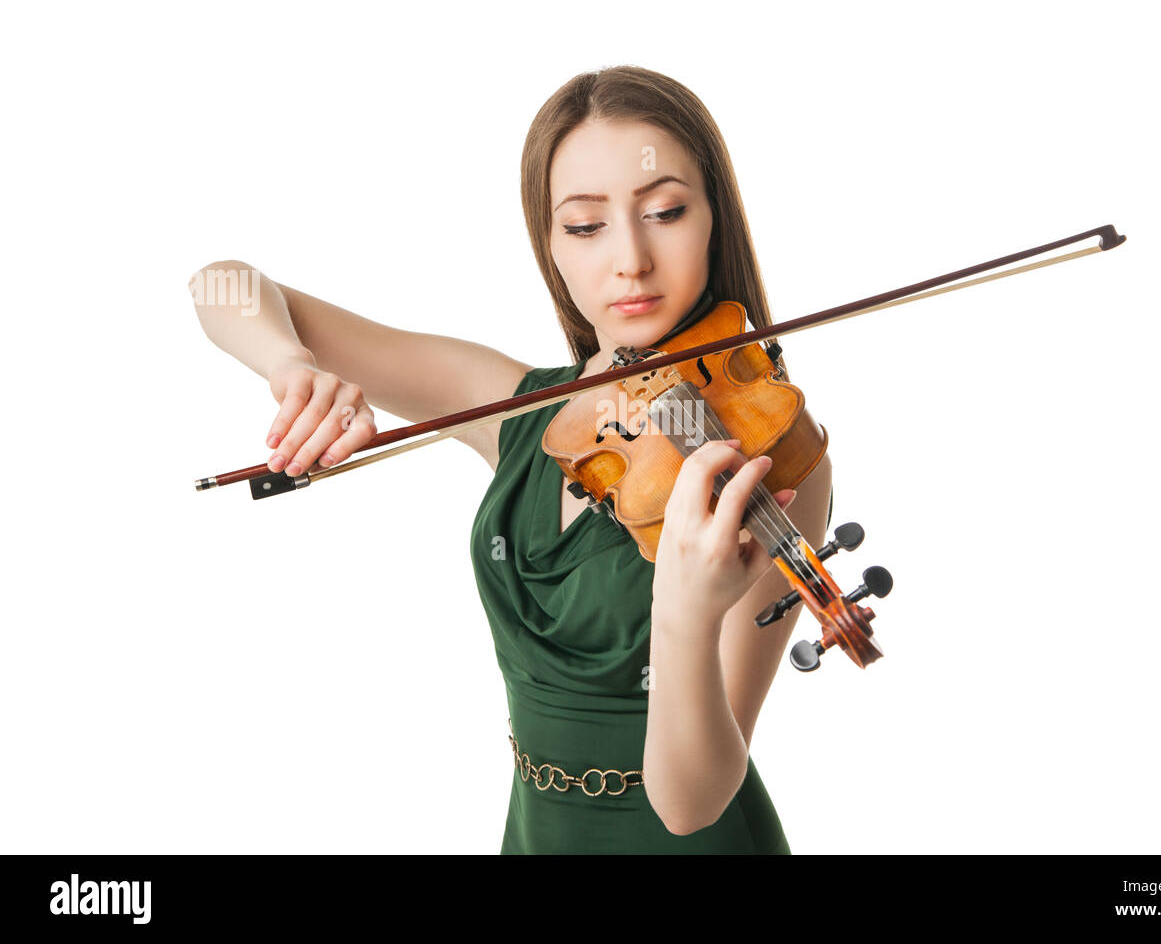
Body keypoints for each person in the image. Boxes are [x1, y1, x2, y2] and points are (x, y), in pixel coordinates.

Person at [190, 64, 833, 854]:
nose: (629, 259)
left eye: (665, 211)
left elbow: (689, 804)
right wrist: (288, 364)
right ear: (549, 243)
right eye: (586, 226)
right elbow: (220, 286)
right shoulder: (521, 411)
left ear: (713, 222)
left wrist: (685, 617)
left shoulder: (763, 455)